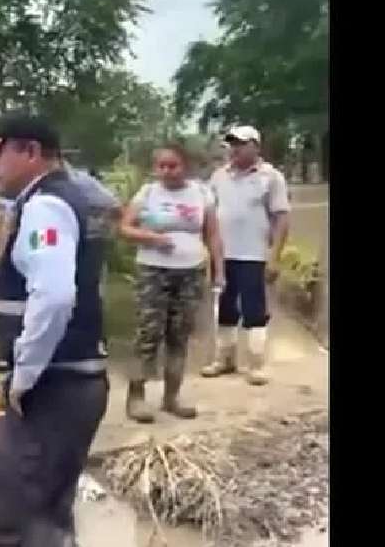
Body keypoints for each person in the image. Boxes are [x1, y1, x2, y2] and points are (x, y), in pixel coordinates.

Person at [0, 112, 155, 547]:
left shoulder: (45, 206)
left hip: (52, 385)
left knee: (6, 517)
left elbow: (53, 296)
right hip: (76, 381)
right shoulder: (72, 196)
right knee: (48, 507)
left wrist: (21, 376)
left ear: (29, 151)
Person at [117, 143, 225, 422]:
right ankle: (137, 397)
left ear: (185, 166)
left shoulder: (202, 193)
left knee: (180, 335)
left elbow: (213, 235)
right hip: (153, 272)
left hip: (190, 272)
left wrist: (218, 270)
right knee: (148, 334)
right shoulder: (148, 192)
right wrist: (150, 238)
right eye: (161, 166)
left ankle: (171, 397)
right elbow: (125, 228)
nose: (166, 171)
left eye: (172, 165)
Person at [201, 125, 292, 384]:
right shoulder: (219, 176)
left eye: (241, 144)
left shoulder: (270, 177)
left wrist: (275, 256)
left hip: (254, 254)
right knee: (225, 306)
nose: (235, 149)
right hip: (223, 254)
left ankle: (256, 363)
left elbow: (282, 218)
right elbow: (209, 213)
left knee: (255, 309)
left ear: (255, 146)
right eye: (232, 144)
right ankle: (224, 359)